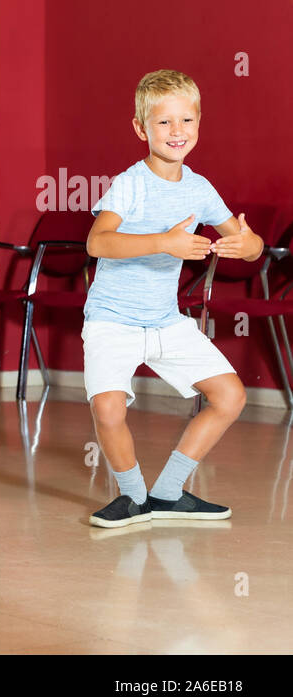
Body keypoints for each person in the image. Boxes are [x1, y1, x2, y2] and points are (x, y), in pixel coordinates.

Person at [85, 70, 258, 528]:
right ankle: (133, 496)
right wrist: (162, 242)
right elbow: (98, 243)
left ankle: (167, 492)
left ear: (199, 125)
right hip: (112, 318)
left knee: (229, 396)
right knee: (108, 408)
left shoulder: (200, 189)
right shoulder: (131, 183)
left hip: (164, 320)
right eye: (163, 123)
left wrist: (250, 243)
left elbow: (246, 242)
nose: (177, 131)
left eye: (186, 120)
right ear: (142, 129)